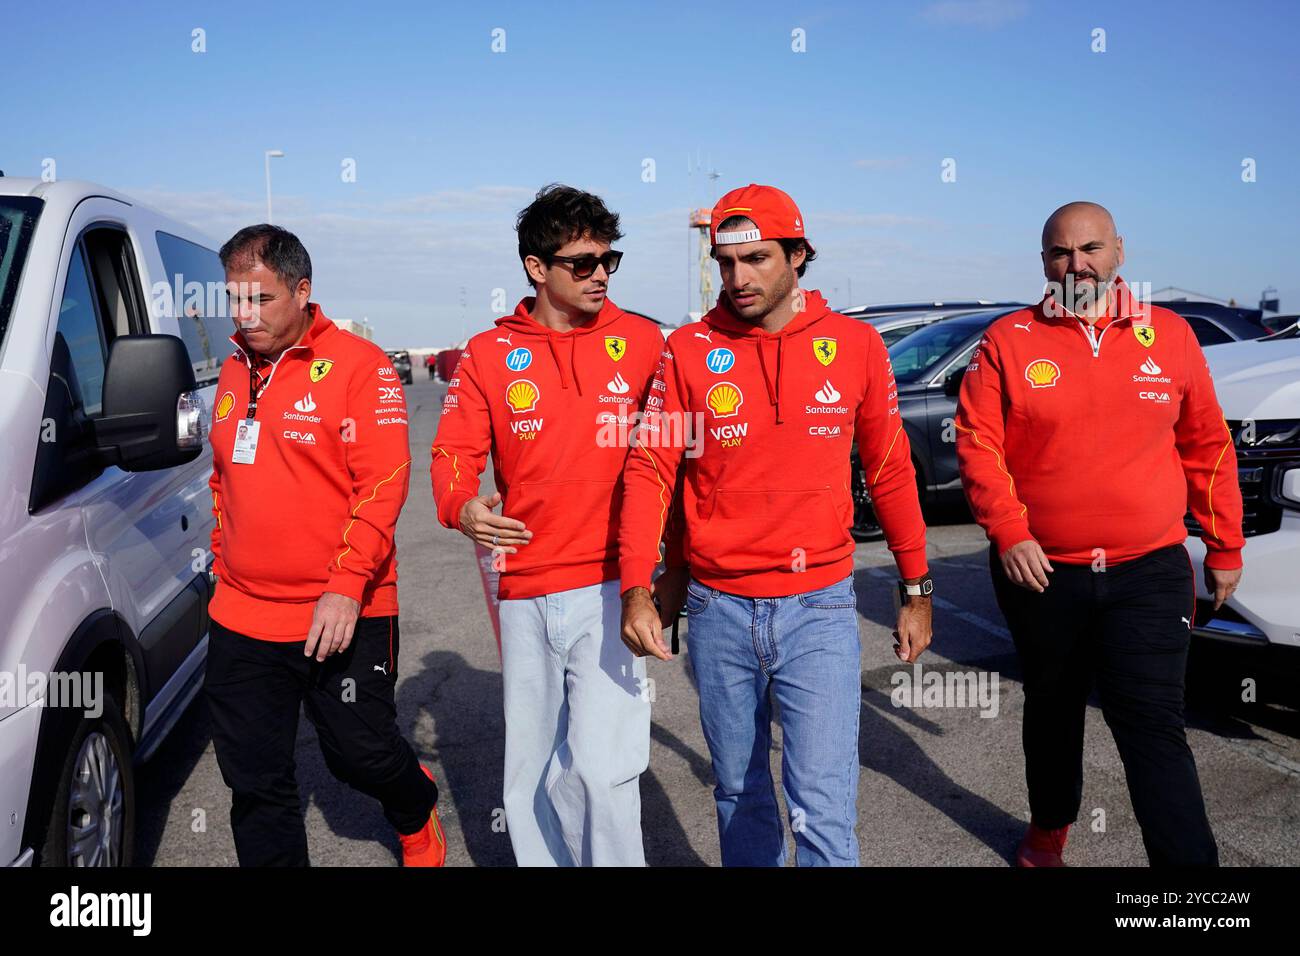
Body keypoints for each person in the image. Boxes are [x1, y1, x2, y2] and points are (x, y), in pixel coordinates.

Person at [619, 184, 933, 866]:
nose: (737, 278)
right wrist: (638, 587)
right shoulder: (688, 349)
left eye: (756, 259)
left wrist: (918, 588)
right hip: (716, 609)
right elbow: (650, 469)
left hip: (818, 609)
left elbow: (890, 471)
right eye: (724, 262)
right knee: (738, 792)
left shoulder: (855, 346)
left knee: (822, 809)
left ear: (798, 255)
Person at [955, 201, 1244, 867]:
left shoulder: (1167, 335)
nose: (1076, 264)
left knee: (1151, 727)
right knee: (1053, 709)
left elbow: (1206, 445)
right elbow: (977, 444)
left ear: (1119, 252)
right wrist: (1009, 529)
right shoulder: (1009, 340)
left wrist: (1224, 544)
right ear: (1044, 261)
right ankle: (1048, 833)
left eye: (1090, 249)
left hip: (1150, 570)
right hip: (1042, 574)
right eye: (1060, 252)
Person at [431, 185, 665, 865]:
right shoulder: (489, 353)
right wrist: (463, 505)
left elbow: (680, 455)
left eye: (608, 261)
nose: (599, 275)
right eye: (582, 263)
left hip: (613, 585)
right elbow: (453, 455)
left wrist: (665, 570)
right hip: (525, 587)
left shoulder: (645, 342)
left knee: (603, 766)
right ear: (537, 268)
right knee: (530, 770)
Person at [205, 224, 444, 867]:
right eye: (234, 299)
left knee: (358, 755)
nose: (244, 315)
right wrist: (221, 555)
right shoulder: (233, 368)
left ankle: (414, 805)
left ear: (303, 290)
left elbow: (384, 484)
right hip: (241, 615)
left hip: (343, 610)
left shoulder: (361, 369)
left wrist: (343, 589)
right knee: (255, 783)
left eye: (260, 299)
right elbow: (223, 476)